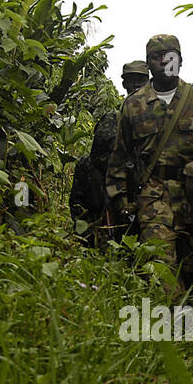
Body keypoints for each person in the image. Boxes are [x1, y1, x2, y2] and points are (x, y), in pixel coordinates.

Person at [106, 34, 193, 296]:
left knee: (191, 268)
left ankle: (191, 326)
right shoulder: (134, 106)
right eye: (156, 57)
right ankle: (171, 326)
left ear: (180, 61)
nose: (163, 62)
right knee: (162, 267)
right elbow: (119, 158)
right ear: (148, 64)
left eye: (169, 56)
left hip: (191, 198)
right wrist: (122, 202)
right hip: (152, 196)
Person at [68, 61, 150, 248]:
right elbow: (98, 158)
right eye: (131, 81)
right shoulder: (113, 119)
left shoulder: (162, 118)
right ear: (125, 85)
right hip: (116, 194)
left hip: (150, 197)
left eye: (140, 80)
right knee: (86, 166)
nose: (135, 85)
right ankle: (94, 233)